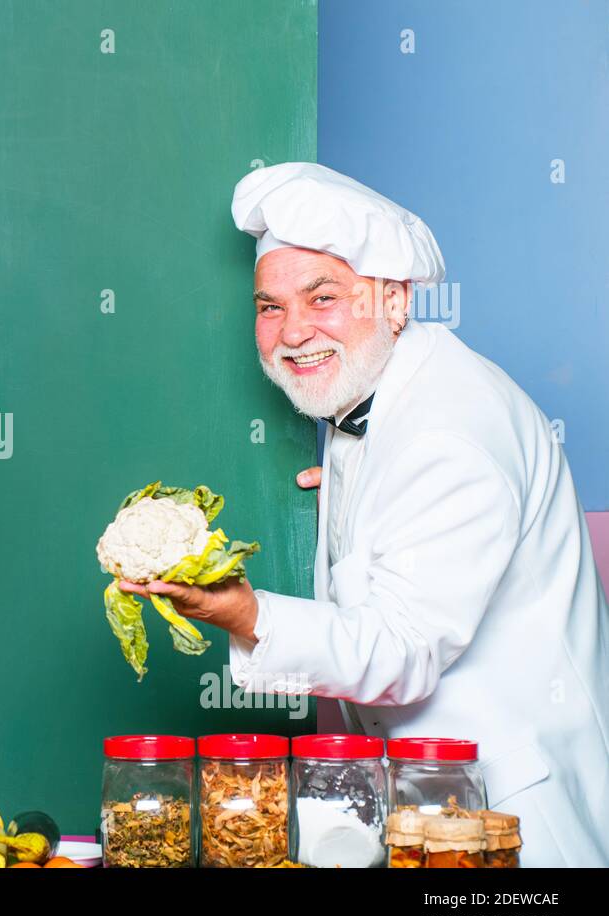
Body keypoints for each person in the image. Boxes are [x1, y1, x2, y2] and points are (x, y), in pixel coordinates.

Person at [122, 162, 609, 866]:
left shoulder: (450, 429)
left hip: (515, 828)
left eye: (322, 297)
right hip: (429, 813)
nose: (293, 332)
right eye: (269, 306)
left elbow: (403, 649)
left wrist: (243, 612)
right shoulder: (368, 397)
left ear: (394, 300)